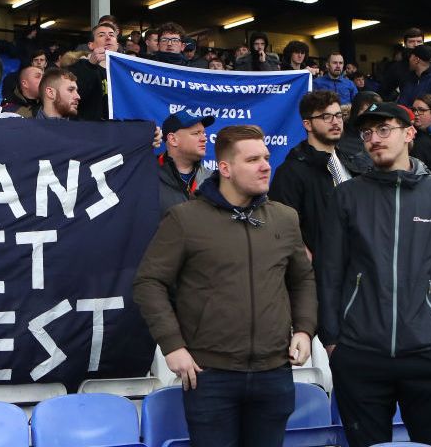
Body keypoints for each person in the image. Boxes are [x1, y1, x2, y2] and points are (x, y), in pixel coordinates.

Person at [134, 124, 317, 447]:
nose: (265, 166)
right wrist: (173, 346)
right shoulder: (185, 219)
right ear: (225, 168)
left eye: (266, 157)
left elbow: (302, 278)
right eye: (252, 160)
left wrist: (304, 329)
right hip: (210, 376)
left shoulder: (284, 218)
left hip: (274, 372)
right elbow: (149, 282)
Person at [317, 102, 431, 447]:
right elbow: (328, 272)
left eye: (384, 129)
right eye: (368, 133)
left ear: (409, 133)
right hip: (359, 355)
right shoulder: (346, 196)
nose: (374, 139)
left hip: (428, 353)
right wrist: (332, 343)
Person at [269, 91, 372, 259]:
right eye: (326, 117)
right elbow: (281, 228)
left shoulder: (351, 163)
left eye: (338, 115)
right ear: (307, 124)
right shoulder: (291, 172)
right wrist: (304, 261)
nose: (336, 122)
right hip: (317, 273)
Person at [156, 110, 214, 214]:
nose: (204, 138)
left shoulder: (212, 180)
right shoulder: (146, 176)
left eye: (203, 133)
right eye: (196, 133)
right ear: (173, 139)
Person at [69, 22, 119, 121]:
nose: (108, 38)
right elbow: (76, 97)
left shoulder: (126, 72)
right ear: (91, 45)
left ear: (117, 45)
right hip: (90, 130)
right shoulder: (78, 67)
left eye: (111, 35)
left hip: (120, 130)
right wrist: (90, 65)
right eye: (101, 35)